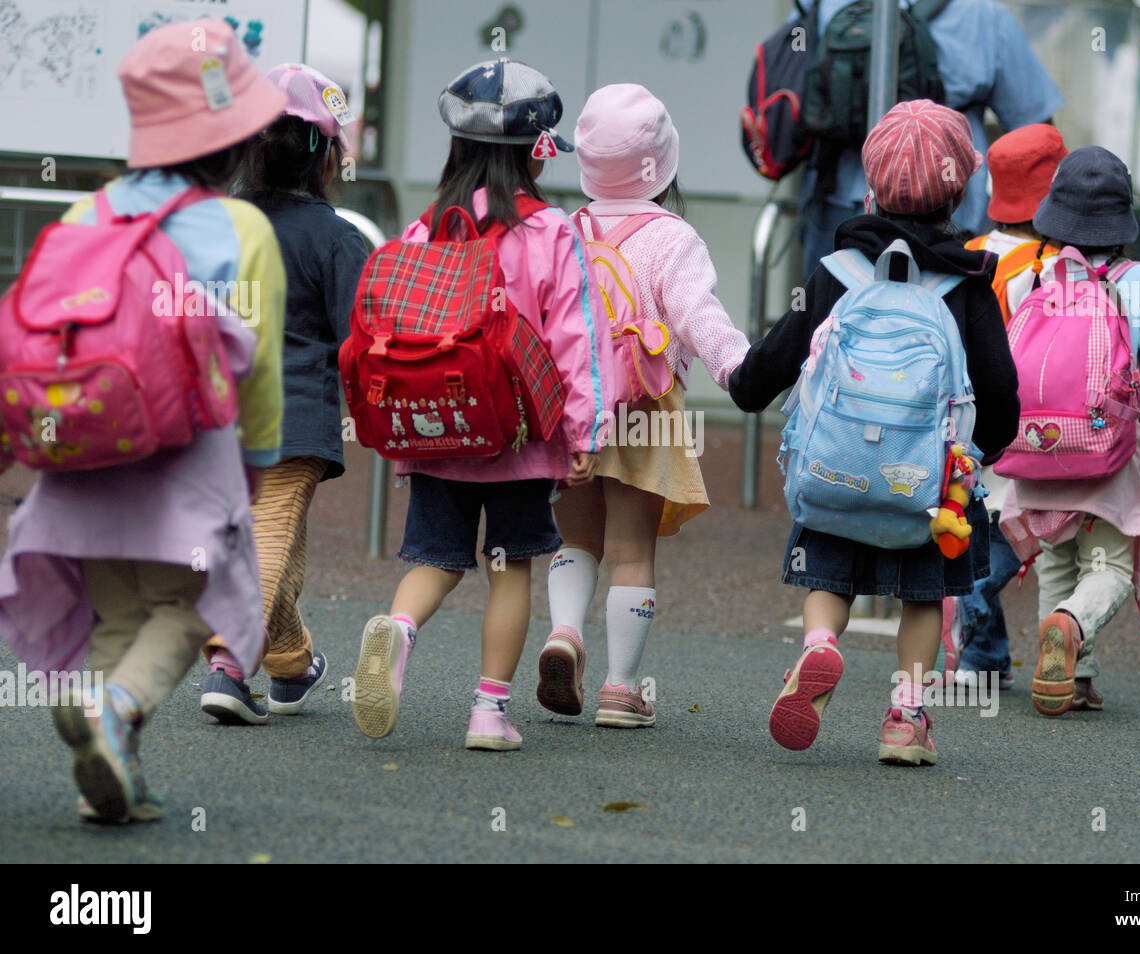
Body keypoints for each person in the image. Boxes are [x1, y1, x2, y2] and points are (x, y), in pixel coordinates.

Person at [0, 20, 287, 820]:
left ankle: (107, 761)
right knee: (197, 608)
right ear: (234, 138)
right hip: (185, 465)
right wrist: (258, 463)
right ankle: (113, 709)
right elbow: (258, 371)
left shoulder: (84, 216)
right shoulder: (243, 229)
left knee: (119, 611)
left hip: (76, 456)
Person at [729, 99, 1019, 766]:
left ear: (872, 182)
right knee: (925, 592)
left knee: (829, 575)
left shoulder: (837, 273)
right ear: (960, 187)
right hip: (927, 483)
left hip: (834, 471)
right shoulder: (968, 284)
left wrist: (747, 386)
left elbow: (781, 351)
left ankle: (820, 649)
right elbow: (1000, 390)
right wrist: (986, 450)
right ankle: (905, 718)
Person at [349, 58, 611, 751]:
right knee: (509, 569)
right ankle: (488, 715)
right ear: (535, 151)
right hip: (516, 436)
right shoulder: (551, 232)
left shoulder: (424, 229)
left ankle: (398, 633)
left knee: (434, 561)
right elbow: (575, 337)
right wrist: (584, 432)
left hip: (438, 430)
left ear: (455, 147)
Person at [539, 84, 751, 727]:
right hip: (644, 410)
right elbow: (699, 319)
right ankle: (620, 688)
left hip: (573, 408)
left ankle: (564, 634)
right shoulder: (672, 239)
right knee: (631, 551)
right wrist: (742, 369)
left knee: (576, 537)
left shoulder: (566, 230)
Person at [197, 64, 370, 724]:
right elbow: (360, 333)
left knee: (272, 544)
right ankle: (230, 662)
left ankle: (290, 664)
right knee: (269, 536)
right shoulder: (335, 237)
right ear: (324, 158)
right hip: (292, 418)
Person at [999, 146, 1140, 716]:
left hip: (1035, 449)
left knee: (1056, 562)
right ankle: (1073, 626)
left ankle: (1071, 676)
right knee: (1109, 564)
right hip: (1106, 454)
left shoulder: (1036, 277)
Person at [797, 0, 1064, 277]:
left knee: (832, 309)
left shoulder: (827, 4)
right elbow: (1035, 134)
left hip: (837, 203)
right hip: (950, 216)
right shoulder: (983, 14)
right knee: (951, 309)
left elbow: (791, 83)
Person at [953, 122, 1066, 692]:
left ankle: (986, 657)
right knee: (999, 545)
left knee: (971, 531)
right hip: (1024, 426)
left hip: (960, 424)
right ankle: (979, 636)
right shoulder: (1045, 265)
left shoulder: (967, 251)